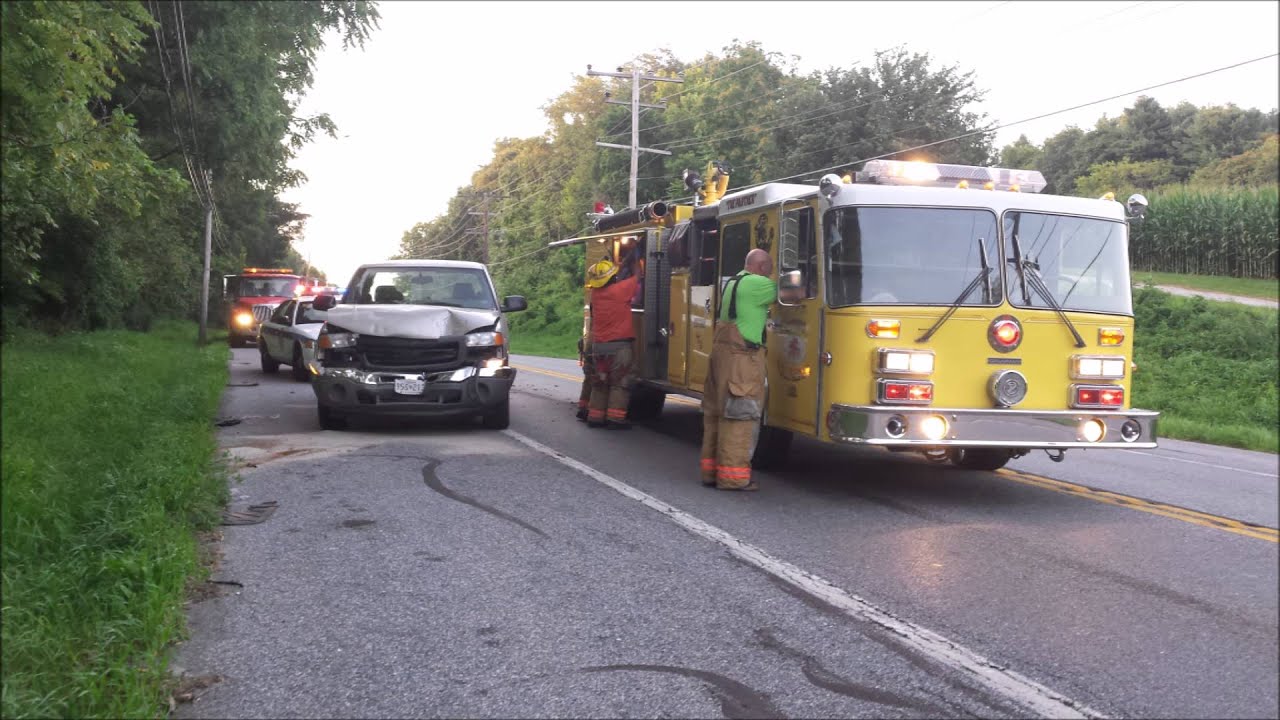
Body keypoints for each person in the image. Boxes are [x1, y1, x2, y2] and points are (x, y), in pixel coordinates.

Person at [700, 248, 779, 491]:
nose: (770, 275)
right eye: (770, 270)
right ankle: (733, 478)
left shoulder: (734, 282)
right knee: (740, 415)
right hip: (742, 360)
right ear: (763, 267)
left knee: (716, 415)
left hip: (721, 357)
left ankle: (711, 473)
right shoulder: (757, 283)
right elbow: (793, 293)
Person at [585, 255, 639, 429]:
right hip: (619, 348)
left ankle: (595, 417)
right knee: (619, 383)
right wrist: (635, 259)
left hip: (598, 348)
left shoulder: (595, 295)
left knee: (600, 383)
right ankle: (615, 419)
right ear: (612, 278)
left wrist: (621, 265)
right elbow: (638, 277)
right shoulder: (620, 291)